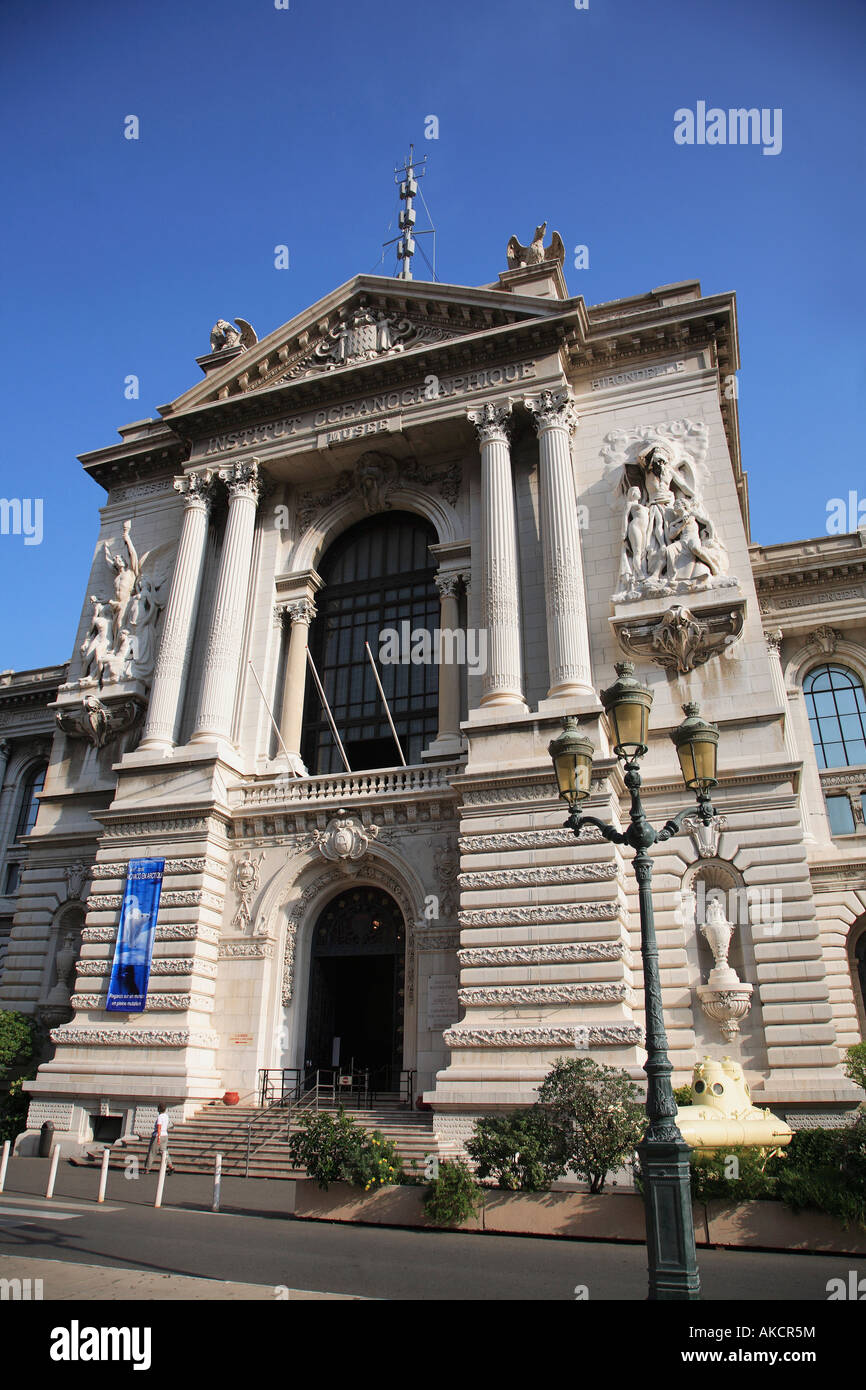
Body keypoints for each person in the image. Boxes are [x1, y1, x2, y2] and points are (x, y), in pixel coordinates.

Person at [145, 1104, 175, 1173]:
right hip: (165, 1135)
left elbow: (159, 1127)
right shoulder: (166, 1116)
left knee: (152, 1152)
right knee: (164, 1152)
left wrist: (158, 1137)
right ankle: (170, 1166)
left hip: (158, 1135)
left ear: (158, 1109)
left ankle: (147, 1168)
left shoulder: (160, 1117)